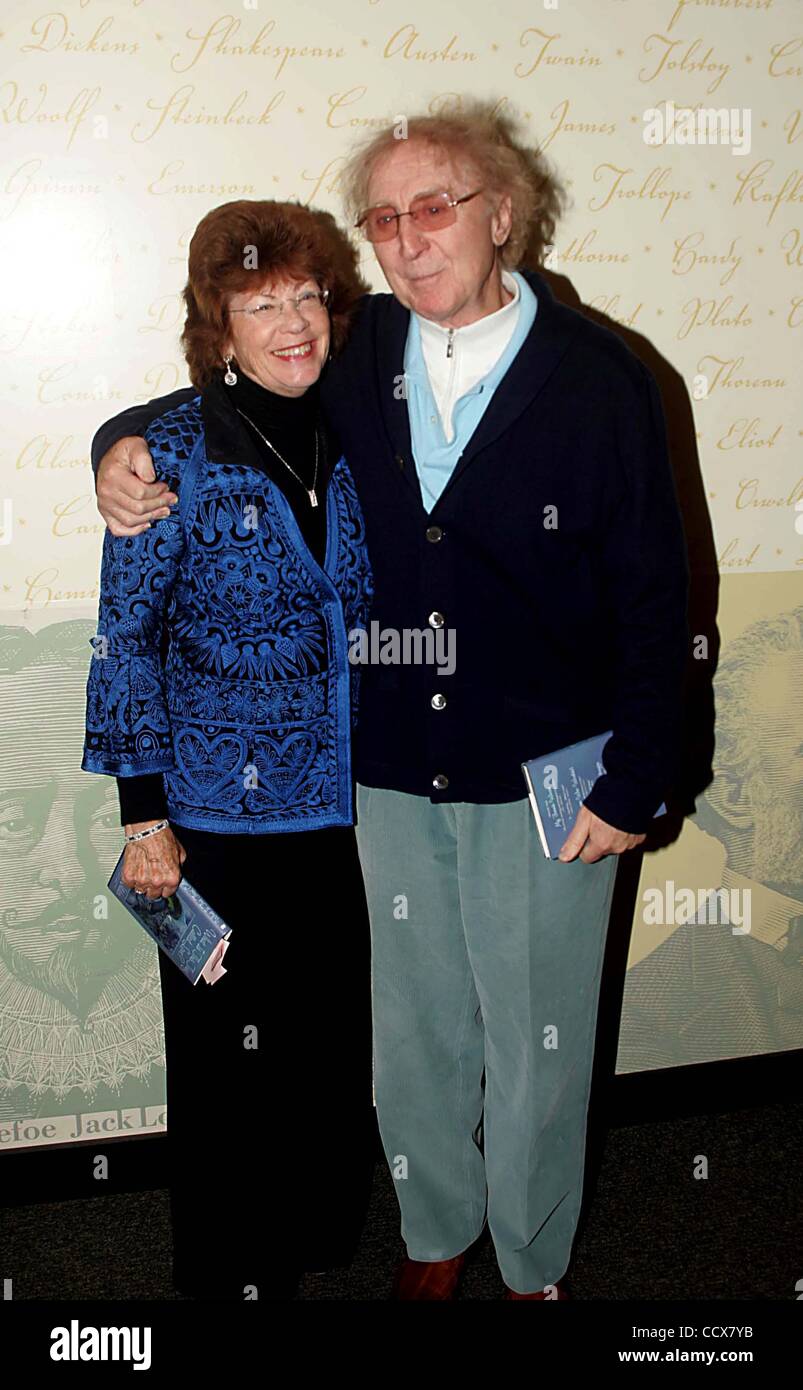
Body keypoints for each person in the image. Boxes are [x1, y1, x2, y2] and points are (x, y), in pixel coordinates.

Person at [89, 102, 690, 1300]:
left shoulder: (595, 379)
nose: (410, 239)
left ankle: (530, 1262)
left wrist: (640, 775)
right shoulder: (364, 354)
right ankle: (432, 1239)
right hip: (379, 779)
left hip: (544, 773)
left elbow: (655, 589)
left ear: (501, 216)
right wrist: (118, 446)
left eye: (436, 206)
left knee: (535, 1040)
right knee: (410, 1034)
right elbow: (211, 415)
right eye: (386, 218)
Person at [81, 199, 375, 1301]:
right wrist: (142, 820)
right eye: (262, 302)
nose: (292, 322)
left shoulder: (356, 424)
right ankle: (224, 1274)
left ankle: (303, 1242)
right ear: (219, 325)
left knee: (318, 1048)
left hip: (339, 805)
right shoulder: (164, 452)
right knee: (225, 1065)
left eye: (307, 296)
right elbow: (126, 641)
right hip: (206, 818)